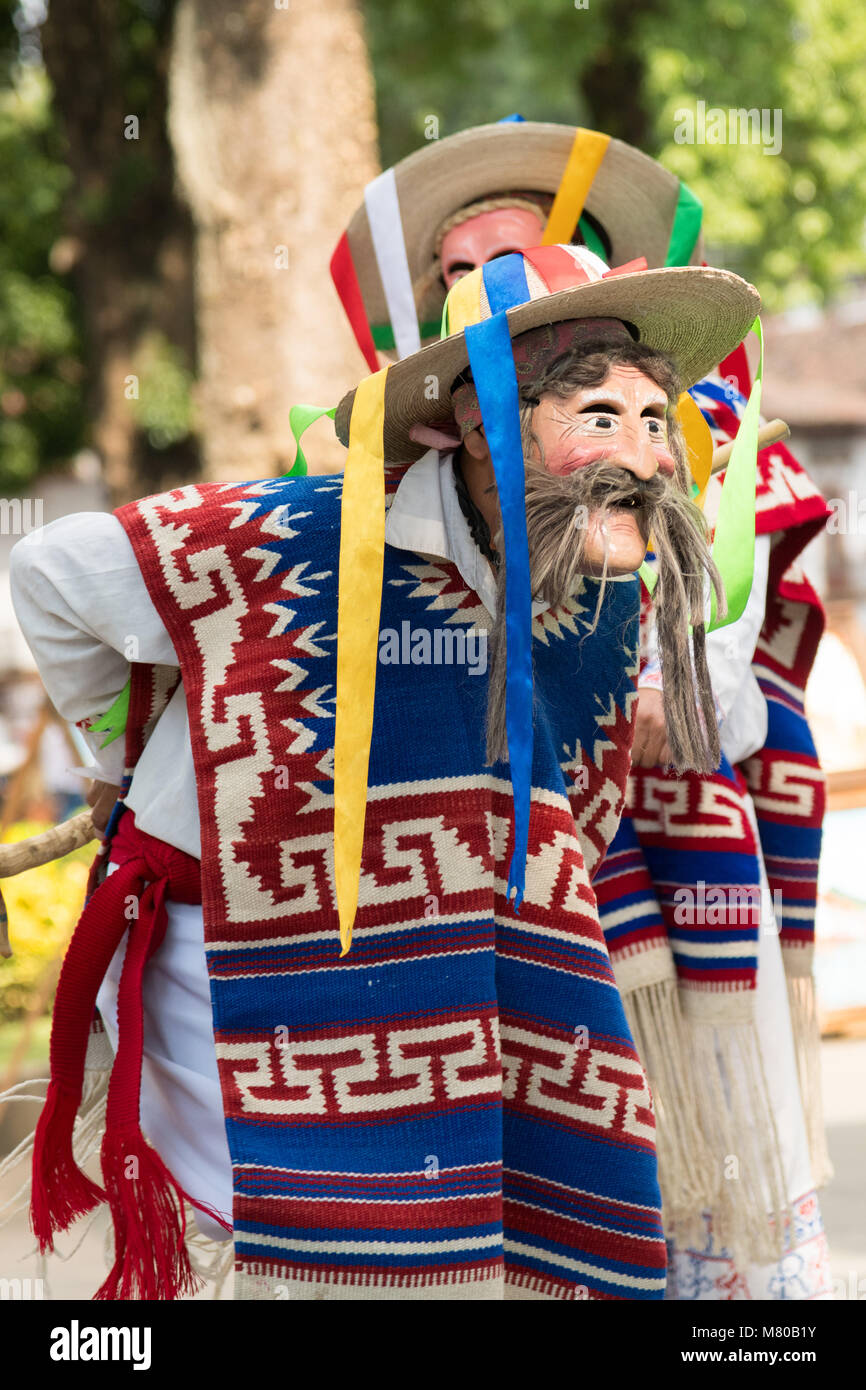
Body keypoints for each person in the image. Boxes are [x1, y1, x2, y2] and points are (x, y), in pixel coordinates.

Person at [10, 246, 759, 1301]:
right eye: (596, 415)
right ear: (475, 424)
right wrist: (121, 755)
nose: (638, 457)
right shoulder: (290, 536)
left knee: (464, 1234)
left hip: (455, 957)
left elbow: (571, 812)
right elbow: (45, 569)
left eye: (653, 421)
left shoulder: (601, 593)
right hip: (231, 952)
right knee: (261, 1229)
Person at [331, 117, 833, 1297]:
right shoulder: (376, 475)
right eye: (457, 272)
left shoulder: (688, 450)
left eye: (519, 259)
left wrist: (661, 666)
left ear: (591, 274)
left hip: (670, 863)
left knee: (701, 1207)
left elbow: (738, 706)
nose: (490, 285)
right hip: (471, 880)